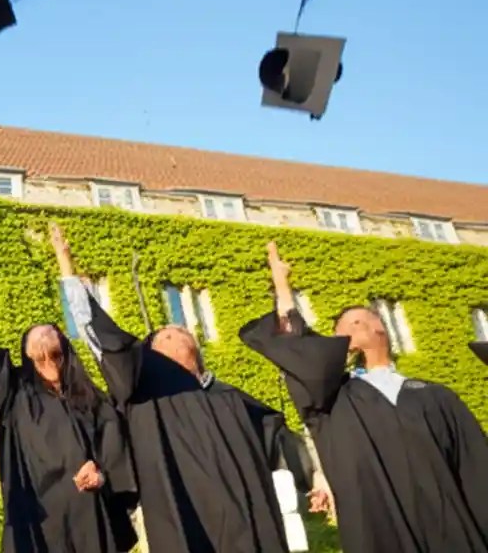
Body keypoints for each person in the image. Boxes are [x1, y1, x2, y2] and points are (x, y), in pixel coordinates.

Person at [49, 224, 287, 553]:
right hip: (187, 523)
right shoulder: (146, 394)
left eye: (179, 330)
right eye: (164, 334)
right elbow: (105, 342)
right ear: (151, 355)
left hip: (248, 527)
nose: (175, 330)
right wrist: (68, 270)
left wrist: (316, 480)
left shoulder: (229, 397)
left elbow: (281, 441)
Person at [241, 241, 488, 553]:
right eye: (339, 331)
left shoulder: (434, 395)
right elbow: (297, 345)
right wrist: (281, 284)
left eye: (356, 322)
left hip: (449, 530)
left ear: (381, 329)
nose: (346, 332)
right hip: (377, 531)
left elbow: (476, 467)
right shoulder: (330, 398)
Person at [0, 230, 137, 553]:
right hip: (37, 523)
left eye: (50, 340)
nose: (43, 344)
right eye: (35, 343)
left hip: (91, 520)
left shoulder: (91, 399)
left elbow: (115, 452)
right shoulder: (14, 393)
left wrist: (102, 476)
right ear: (25, 354)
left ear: (64, 349)